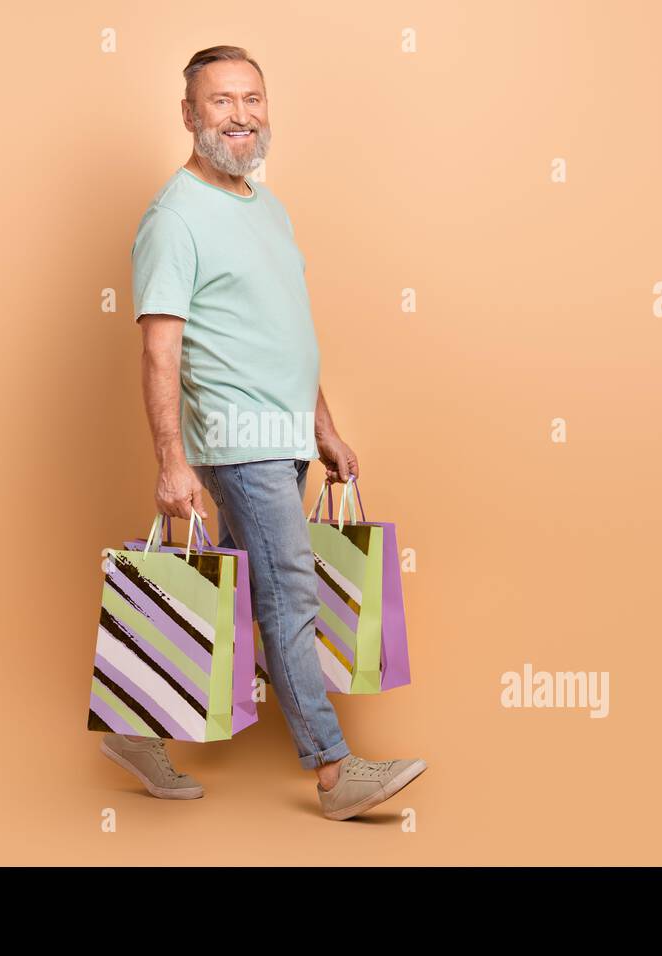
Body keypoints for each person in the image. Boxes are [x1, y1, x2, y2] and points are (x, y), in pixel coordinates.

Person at [99, 45, 426, 821]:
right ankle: (334, 771)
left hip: (282, 436)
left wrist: (324, 427)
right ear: (189, 114)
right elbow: (159, 347)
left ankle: (134, 727)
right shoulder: (174, 217)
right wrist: (172, 463)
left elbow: (284, 329)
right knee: (289, 598)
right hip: (236, 441)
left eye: (252, 99)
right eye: (221, 101)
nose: (241, 115)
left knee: (247, 603)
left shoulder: (265, 204)